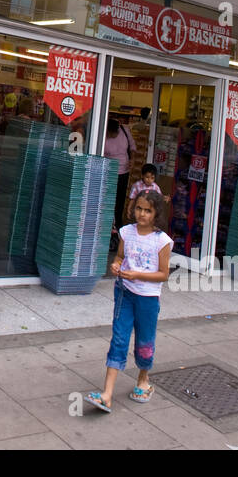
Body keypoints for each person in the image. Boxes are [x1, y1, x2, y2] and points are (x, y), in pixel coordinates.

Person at [85, 191, 171, 412]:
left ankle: (143, 379)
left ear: (156, 213)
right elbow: (120, 257)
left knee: (144, 342)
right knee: (119, 338)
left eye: (148, 210)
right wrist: (116, 265)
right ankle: (107, 394)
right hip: (124, 292)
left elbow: (163, 274)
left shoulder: (162, 241)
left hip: (148, 299)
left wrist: (138, 275)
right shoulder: (126, 232)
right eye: (139, 208)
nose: (142, 214)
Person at [103, 117, 136, 250]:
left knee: (120, 201)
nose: (114, 135)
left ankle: (118, 228)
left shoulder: (124, 130)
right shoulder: (103, 137)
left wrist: (133, 159)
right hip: (109, 172)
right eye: (111, 134)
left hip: (124, 172)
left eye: (115, 133)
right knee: (109, 201)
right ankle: (109, 229)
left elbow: (133, 146)